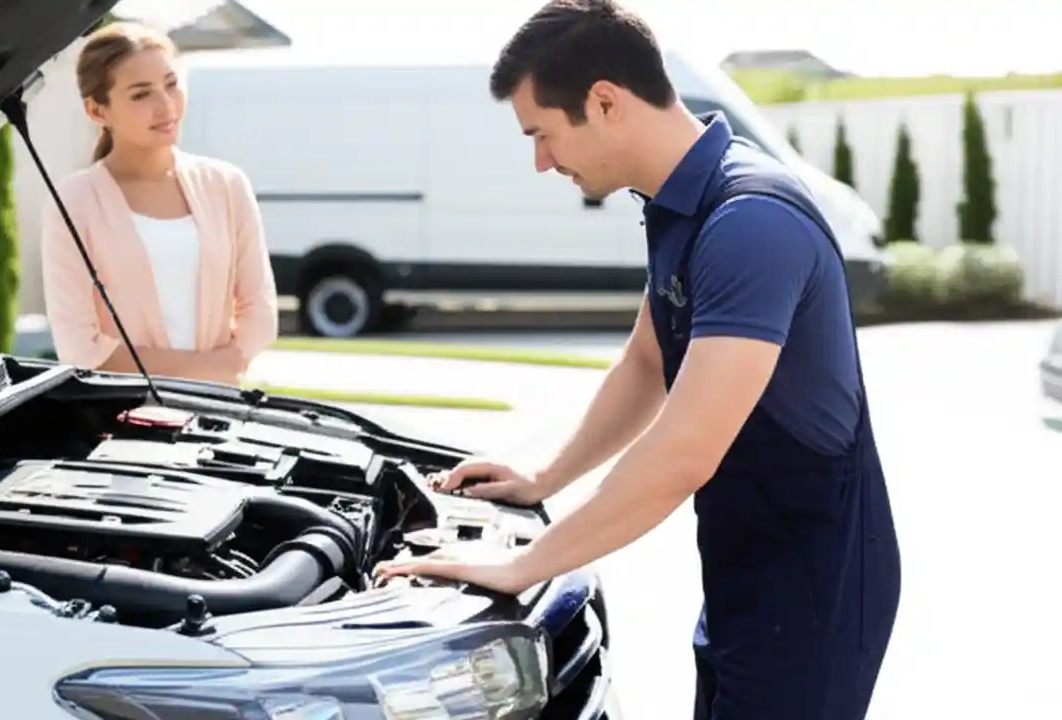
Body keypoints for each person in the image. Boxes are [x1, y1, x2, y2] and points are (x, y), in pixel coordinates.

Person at [373, 2, 901, 718]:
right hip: (747, 573)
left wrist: (526, 564)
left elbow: (684, 451)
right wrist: (544, 477)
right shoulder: (679, 205)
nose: (542, 161)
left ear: (604, 102)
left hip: (815, 589)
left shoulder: (751, 221)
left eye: (543, 134)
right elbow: (647, 365)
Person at [41, 21, 278, 386]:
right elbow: (79, 347)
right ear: (97, 111)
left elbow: (259, 316)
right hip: (120, 420)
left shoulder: (227, 185)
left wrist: (221, 371)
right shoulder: (74, 202)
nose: (166, 106)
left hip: (217, 414)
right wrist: (209, 371)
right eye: (141, 94)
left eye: (171, 85)